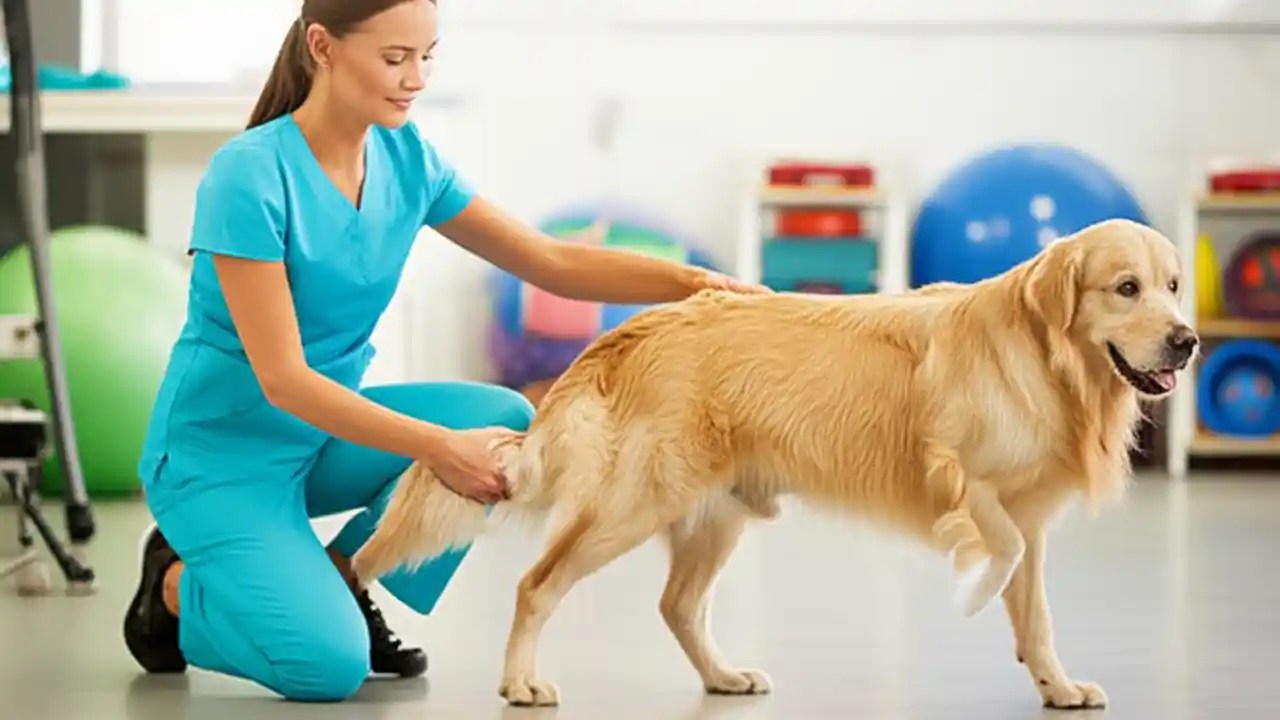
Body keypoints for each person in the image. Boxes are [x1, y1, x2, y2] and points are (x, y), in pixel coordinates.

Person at [120, 0, 765, 704]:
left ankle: (345, 579)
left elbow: (549, 261)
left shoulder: (407, 158)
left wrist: (694, 283)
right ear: (323, 47)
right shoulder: (248, 174)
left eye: (427, 56)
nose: (417, 78)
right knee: (327, 669)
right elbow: (285, 381)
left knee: (502, 422)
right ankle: (175, 588)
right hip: (218, 459)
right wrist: (437, 447)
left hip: (320, 440)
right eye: (395, 58)